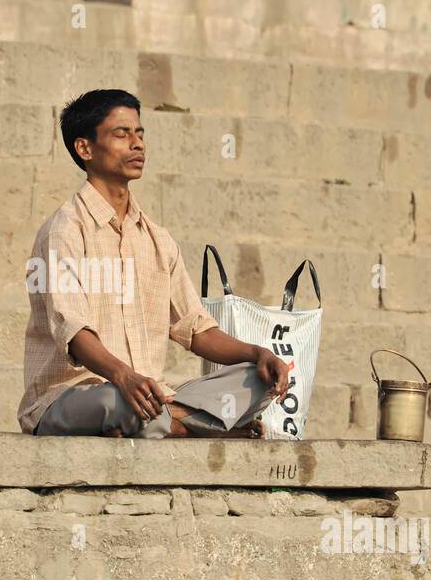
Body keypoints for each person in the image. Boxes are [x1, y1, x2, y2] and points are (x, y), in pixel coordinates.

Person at [19, 89, 290, 438]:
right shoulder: (64, 231)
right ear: (84, 149)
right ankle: (190, 427)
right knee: (115, 401)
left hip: (150, 398)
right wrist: (123, 375)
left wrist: (258, 353)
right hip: (74, 398)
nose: (138, 145)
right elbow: (75, 334)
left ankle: (169, 424)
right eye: (122, 134)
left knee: (258, 378)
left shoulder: (157, 239)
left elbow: (197, 330)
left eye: (140, 133)